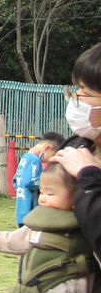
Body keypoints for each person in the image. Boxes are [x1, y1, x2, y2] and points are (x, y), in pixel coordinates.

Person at [0, 162, 95, 293]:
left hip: (69, 281)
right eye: (42, 192)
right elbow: (23, 237)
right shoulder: (43, 221)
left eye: (50, 193)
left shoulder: (87, 221)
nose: (43, 198)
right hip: (37, 281)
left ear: (77, 198)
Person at [55, 42, 101, 273]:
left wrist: (88, 177)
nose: (76, 98)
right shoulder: (77, 146)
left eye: (87, 93)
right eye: (77, 89)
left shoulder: (85, 165)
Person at [16, 132, 66, 226]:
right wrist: (48, 185)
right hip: (29, 209)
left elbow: (15, 181)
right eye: (52, 155)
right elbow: (30, 182)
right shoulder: (34, 160)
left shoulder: (25, 158)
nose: (50, 160)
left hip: (20, 209)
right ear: (47, 148)